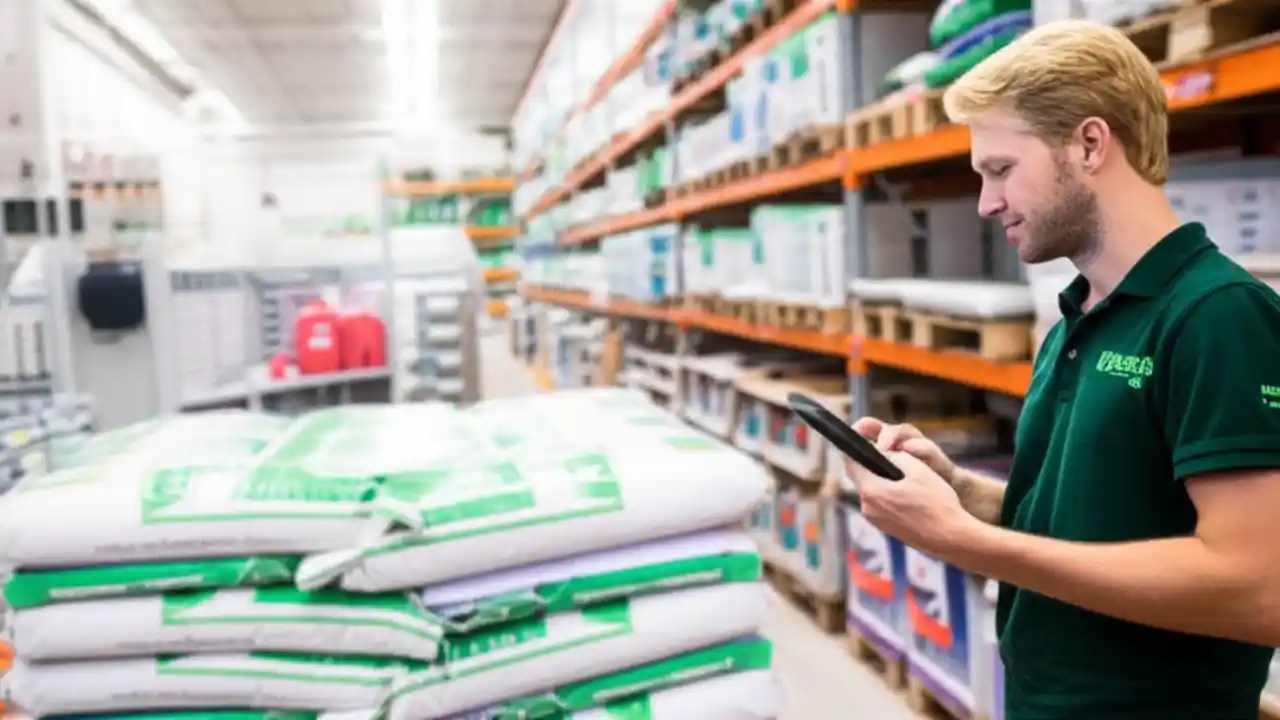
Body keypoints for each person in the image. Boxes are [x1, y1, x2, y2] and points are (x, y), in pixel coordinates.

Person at [844, 19, 1280, 720]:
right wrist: (961, 493)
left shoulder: (1218, 316)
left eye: (1001, 170)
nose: (987, 203)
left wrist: (970, 544)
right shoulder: (1077, 318)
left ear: (1089, 144)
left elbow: (1259, 591)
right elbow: (1095, 520)